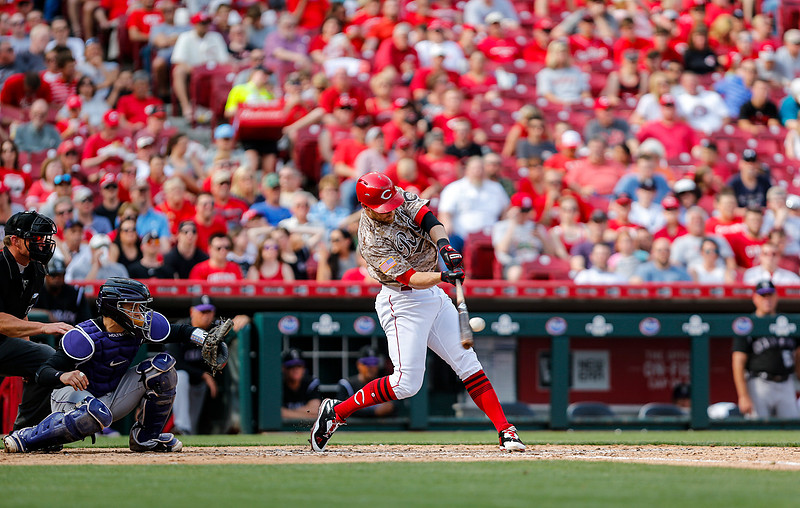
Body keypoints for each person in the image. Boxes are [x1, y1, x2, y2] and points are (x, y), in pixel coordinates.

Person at [310, 172, 525, 452]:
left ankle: (506, 430)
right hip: (402, 303)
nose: (390, 211)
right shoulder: (370, 240)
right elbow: (410, 278)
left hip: (433, 295)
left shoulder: (394, 195)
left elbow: (428, 219)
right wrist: (443, 276)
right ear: (365, 207)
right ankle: (336, 413)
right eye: (382, 210)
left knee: (468, 364)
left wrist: (445, 246)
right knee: (405, 384)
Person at [3, 278, 230, 453]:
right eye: (133, 307)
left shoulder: (141, 327)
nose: (140, 313)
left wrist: (203, 338)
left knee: (164, 367)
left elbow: (179, 331)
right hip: (71, 397)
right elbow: (43, 372)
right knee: (95, 412)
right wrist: (62, 376)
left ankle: (146, 438)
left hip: (111, 396)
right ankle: (28, 436)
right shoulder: (85, 335)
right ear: (114, 307)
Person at [0, 211, 72, 430]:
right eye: (35, 239)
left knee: (48, 362)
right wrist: (44, 327)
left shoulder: (36, 269)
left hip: (4, 344)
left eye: (43, 239)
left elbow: (21, 314)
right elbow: (1, 321)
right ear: (14, 240)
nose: (41, 244)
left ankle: (27, 432)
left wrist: (28, 360)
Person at [732, 280, 800, 419]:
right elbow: (738, 362)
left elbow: (798, 353)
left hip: (786, 383)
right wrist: (743, 395)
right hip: (759, 384)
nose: (767, 299)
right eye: (763, 296)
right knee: (756, 430)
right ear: (755, 298)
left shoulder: (787, 322)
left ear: (776, 297)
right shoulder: (748, 324)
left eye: (770, 295)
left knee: (792, 429)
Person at [336, 346, 396, 417]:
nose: (370, 366)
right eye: (366, 362)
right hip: (355, 427)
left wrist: (354, 407)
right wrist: (374, 412)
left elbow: (392, 406)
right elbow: (341, 409)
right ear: (358, 365)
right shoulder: (347, 384)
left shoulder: (384, 383)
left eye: (374, 362)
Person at [32, 257, 91, 326]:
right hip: (43, 335)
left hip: (69, 334)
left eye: (60, 275)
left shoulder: (76, 294)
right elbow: (24, 314)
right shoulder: (36, 291)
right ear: (46, 275)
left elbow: (87, 320)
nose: (57, 278)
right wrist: (46, 314)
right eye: (53, 275)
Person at [282, 348, 322, 421]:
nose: (296, 370)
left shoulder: (310, 382)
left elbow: (315, 411)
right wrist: (306, 414)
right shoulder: (278, 385)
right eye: (291, 366)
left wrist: (287, 413)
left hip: (307, 429)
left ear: (303, 368)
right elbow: (275, 413)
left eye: (299, 366)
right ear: (284, 368)